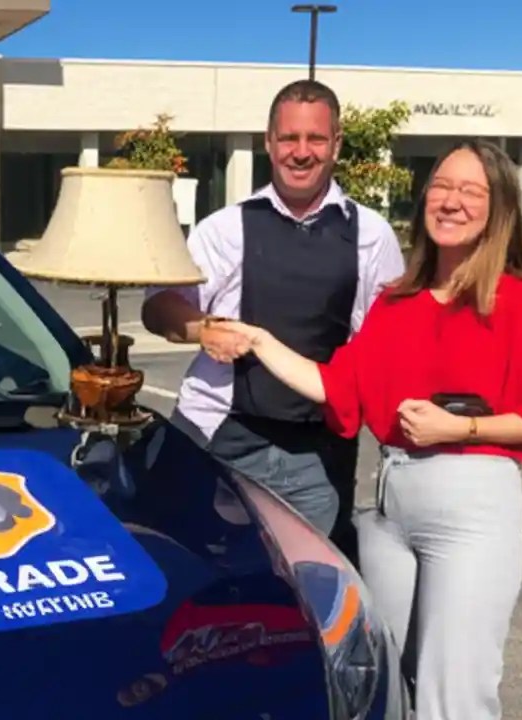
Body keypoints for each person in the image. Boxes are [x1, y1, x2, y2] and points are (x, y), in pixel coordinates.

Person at [220, 138, 522, 719]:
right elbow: (339, 385)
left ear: (499, 210)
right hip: (390, 509)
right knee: (387, 684)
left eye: (471, 191)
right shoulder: (396, 302)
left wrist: (459, 428)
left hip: (470, 508)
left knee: (454, 690)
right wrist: (256, 340)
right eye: (441, 185)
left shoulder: (518, 301)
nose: (451, 201)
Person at [141, 79, 405, 561]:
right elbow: (159, 307)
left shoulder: (371, 235)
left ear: (337, 144)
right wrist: (202, 329)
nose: (300, 152)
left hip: (318, 452)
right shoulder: (224, 228)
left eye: (315, 139)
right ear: (268, 142)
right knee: (192, 565)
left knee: (309, 585)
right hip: (218, 432)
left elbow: (388, 345)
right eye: (288, 138)